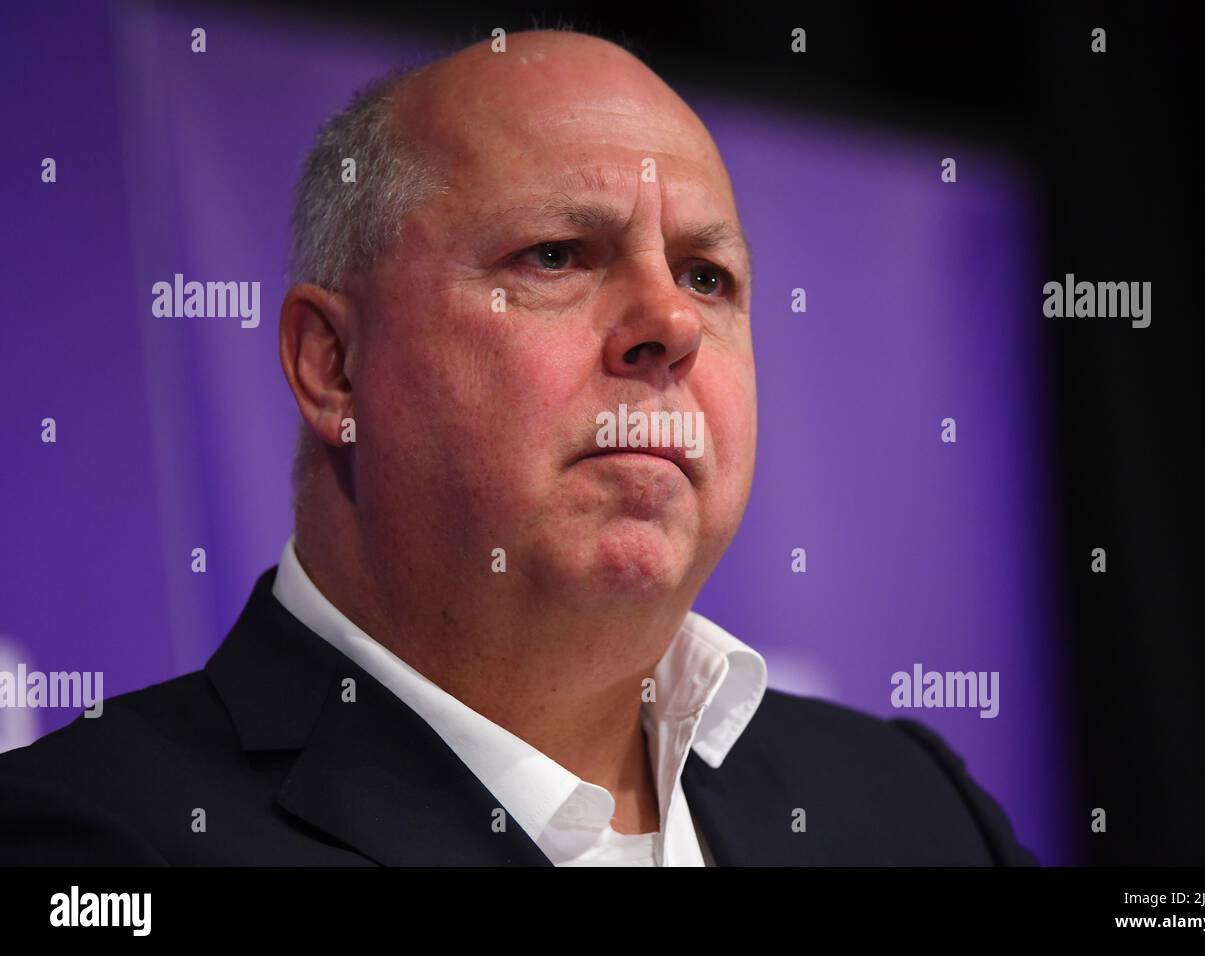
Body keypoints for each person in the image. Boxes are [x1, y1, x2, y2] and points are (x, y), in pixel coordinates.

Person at [0, 28, 1036, 866]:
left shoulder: (912, 810)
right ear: (334, 366)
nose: (669, 322)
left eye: (706, 276)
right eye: (555, 254)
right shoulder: (92, 841)